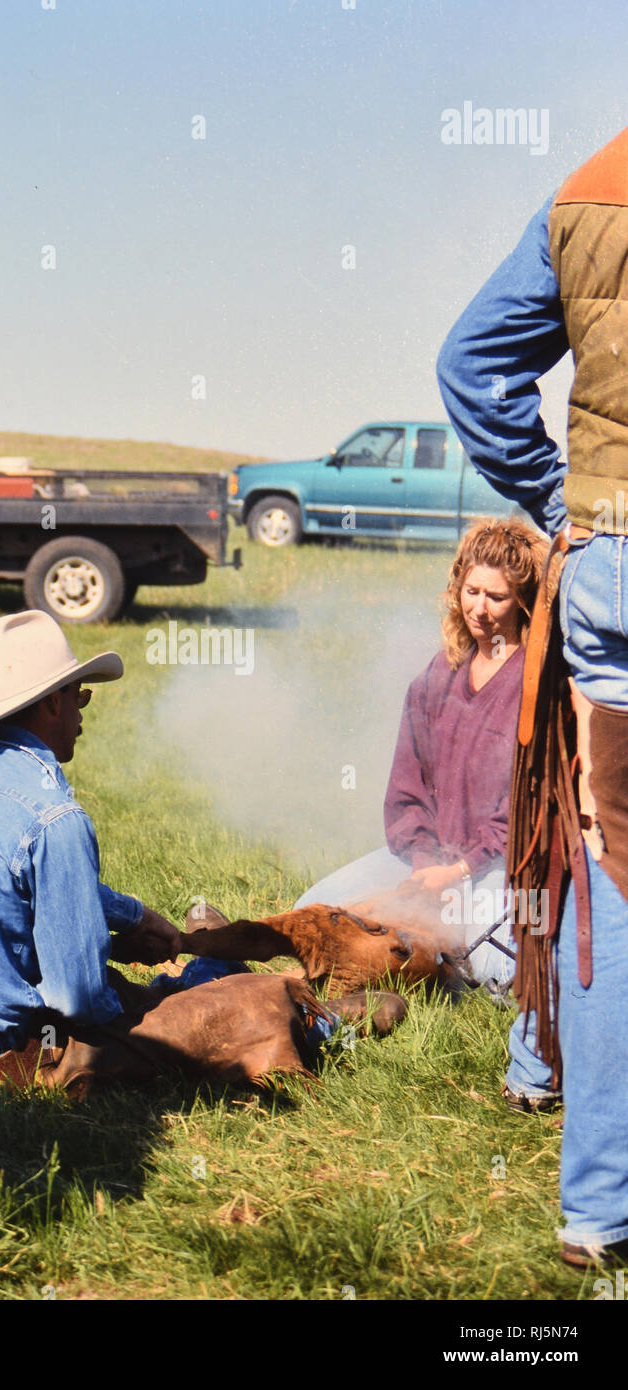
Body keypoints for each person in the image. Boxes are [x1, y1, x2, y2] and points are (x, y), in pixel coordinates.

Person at [436, 123, 628, 1268]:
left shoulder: (594, 186)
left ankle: (599, 1207)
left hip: (614, 560)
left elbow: (470, 366)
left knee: (610, 884)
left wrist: (568, 503)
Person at [0, 609, 327, 1096]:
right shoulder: (56, 817)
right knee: (223, 1009)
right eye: (81, 698)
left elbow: (26, 881)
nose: (81, 716)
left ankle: (206, 973)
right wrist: (144, 1000)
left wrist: (130, 918)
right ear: (53, 703)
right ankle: (244, 992)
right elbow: (78, 999)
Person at [297, 518, 546, 997]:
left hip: (498, 867)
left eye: (496, 597)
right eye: (471, 591)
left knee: (498, 971)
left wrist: (458, 872)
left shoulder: (536, 683)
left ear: (524, 600)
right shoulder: (438, 674)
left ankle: (427, 963)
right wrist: (424, 863)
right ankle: (409, 954)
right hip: (425, 860)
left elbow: (526, 806)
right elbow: (407, 787)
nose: (480, 608)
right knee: (315, 909)